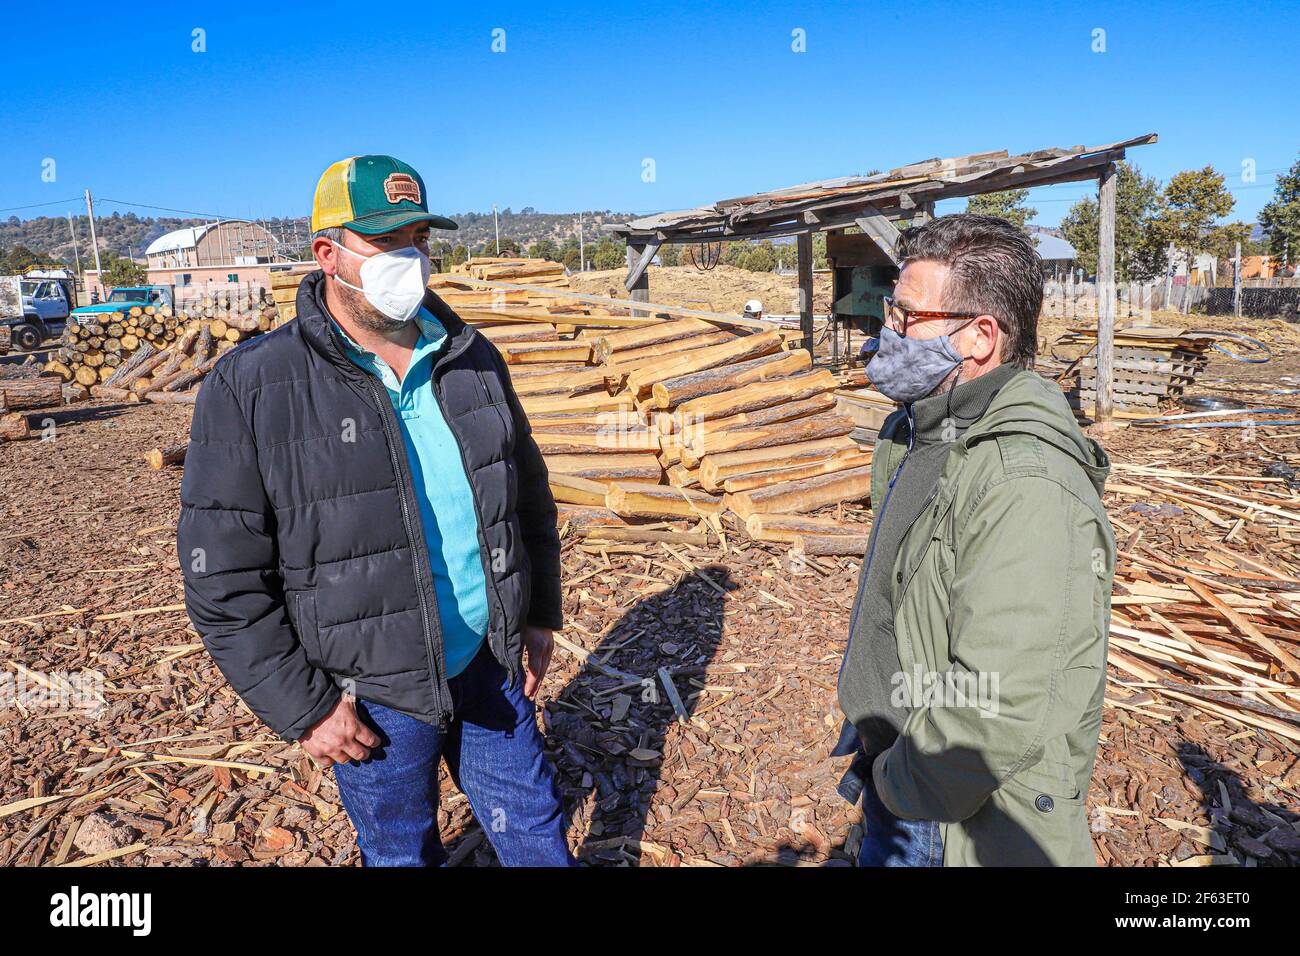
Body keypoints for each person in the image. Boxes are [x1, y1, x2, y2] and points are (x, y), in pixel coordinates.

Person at [178, 155, 574, 867]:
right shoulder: (255, 385)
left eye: (418, 240)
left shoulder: (470, 356)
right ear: (327, 254)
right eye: (386, 242)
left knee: (537, 834)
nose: (410, 259)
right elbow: (221, 577)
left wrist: (539, 609)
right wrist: (303, 708)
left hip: (488, 663)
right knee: (399, 853)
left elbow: (526, 496)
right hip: (372, 694)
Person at [833, 214, 1115, 866]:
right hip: (901, 769)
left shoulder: (1025, 482)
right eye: (890, 311)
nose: (887, 331)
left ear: (980, 336)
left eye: (907, 316)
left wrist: (899, 784)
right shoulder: (920, 429)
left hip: (945, 816)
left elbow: (999, 702)